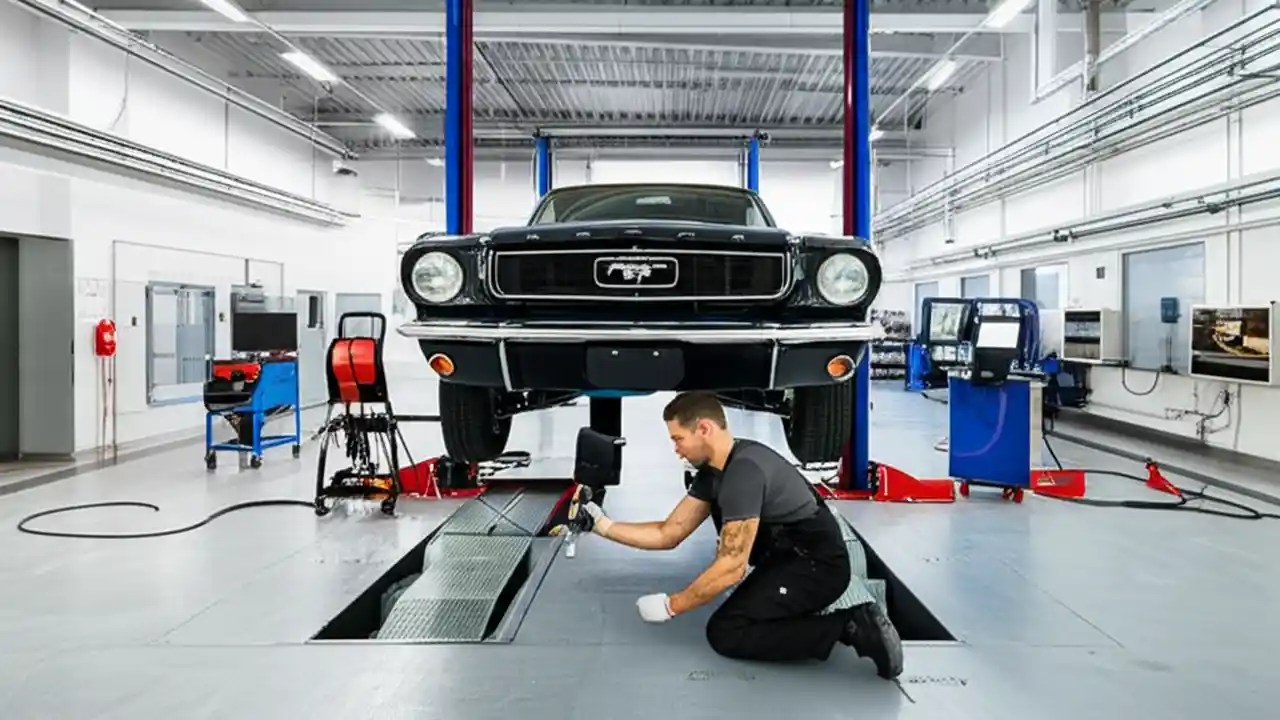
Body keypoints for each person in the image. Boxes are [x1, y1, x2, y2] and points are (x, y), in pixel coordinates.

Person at [577, 391, 903, 679]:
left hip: (816, 566)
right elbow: (669, 532)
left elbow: (731, 566)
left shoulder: (743, 473)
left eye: (678, 439)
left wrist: (671, 606)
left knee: (728, 632)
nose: (676, 449)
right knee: (743, 613)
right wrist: (602, 525)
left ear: (704, 428)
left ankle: (852, 626)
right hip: (789, 560)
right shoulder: (714, 472)